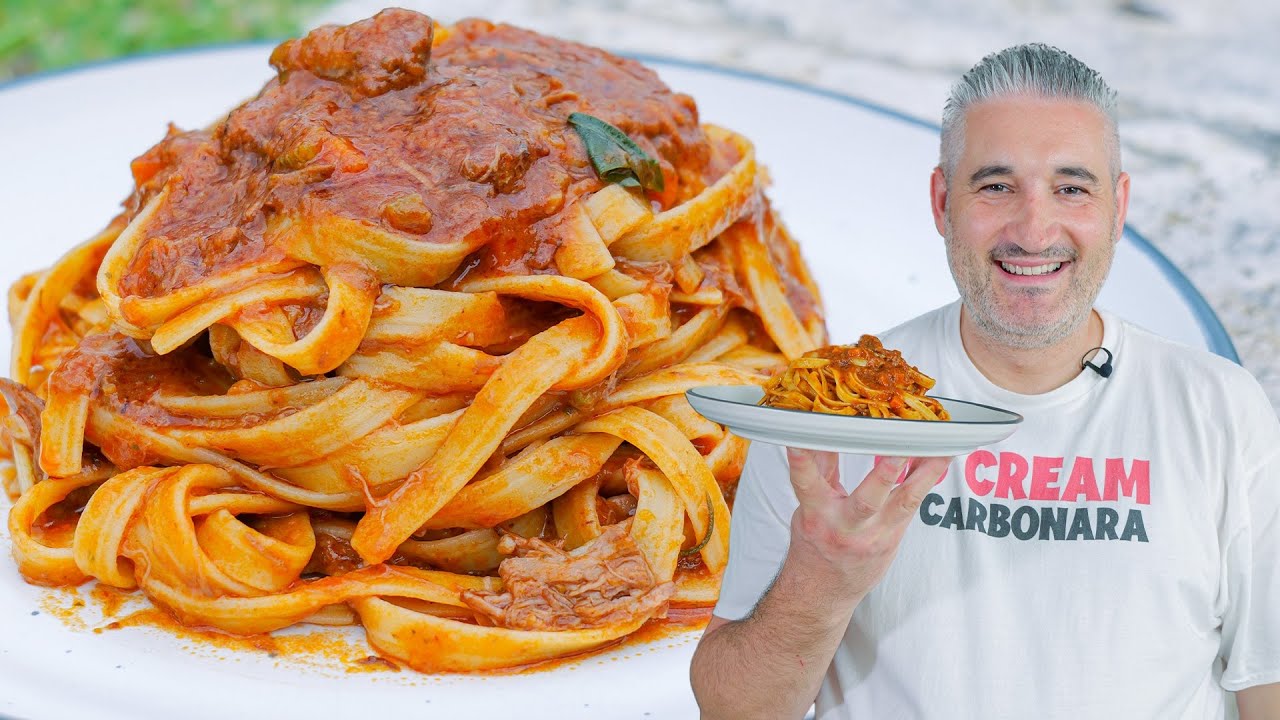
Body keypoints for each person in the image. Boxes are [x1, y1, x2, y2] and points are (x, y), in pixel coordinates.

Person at [689, 43, 1280, 719]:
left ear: (1118, 208)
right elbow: (734, 711)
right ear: (943, 202)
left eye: (1071, 188)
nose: (1033, 229)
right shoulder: (826, 414)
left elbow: (1266, 686)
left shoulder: (1220, 411)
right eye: (996, 186)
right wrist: (819, 581)